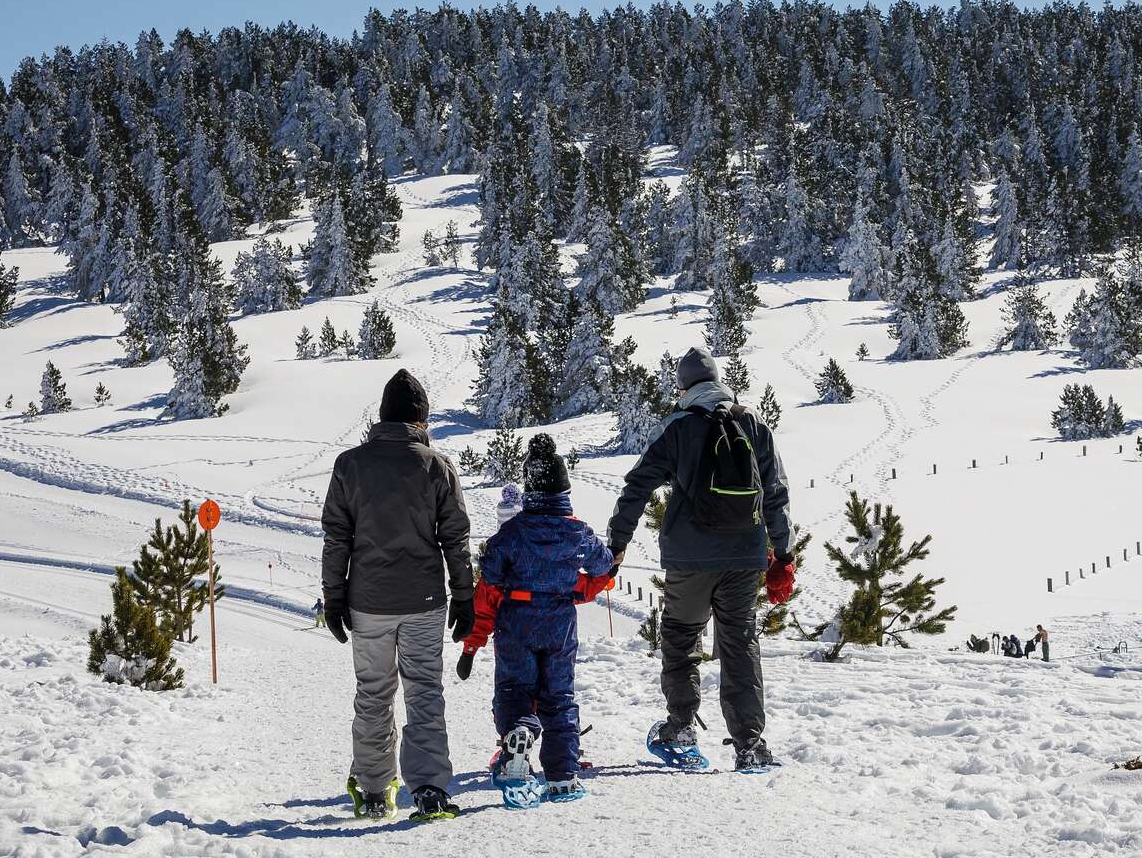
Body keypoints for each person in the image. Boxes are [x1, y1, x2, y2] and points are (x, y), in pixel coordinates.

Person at [608, 347, 792, 773]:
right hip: (746, 557)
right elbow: (777, 495)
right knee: (739, 642)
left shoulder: (677, 427)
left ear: (683, 386)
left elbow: (636, 487)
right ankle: (750, 743)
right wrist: (783, 555)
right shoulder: (753, 424)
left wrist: (617, 545)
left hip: (689, 558)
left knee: (681, 635)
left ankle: (681, 726)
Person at [321, 369, 473, 822]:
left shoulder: (350, 464)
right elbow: (456, 538)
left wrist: (333, 598)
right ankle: (428, 790)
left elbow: (336, 538)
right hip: (424, 601)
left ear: (382, 417)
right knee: (424, 691)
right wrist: (464, 597)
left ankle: (372, 790)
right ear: (420, 419)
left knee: (373, 692)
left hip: (367, 602)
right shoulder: (436, 465)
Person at [455, 435, 615, 806]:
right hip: (560, 620)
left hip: (516, 620)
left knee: (515, 689)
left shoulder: (511, 533)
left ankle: (518, 734)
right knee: (559, 697)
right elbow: (603, 565)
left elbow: (490, 581)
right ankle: (562, 776)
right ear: (565, 489)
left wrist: (472, 643)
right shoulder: (577, 531)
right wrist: (582, 582)